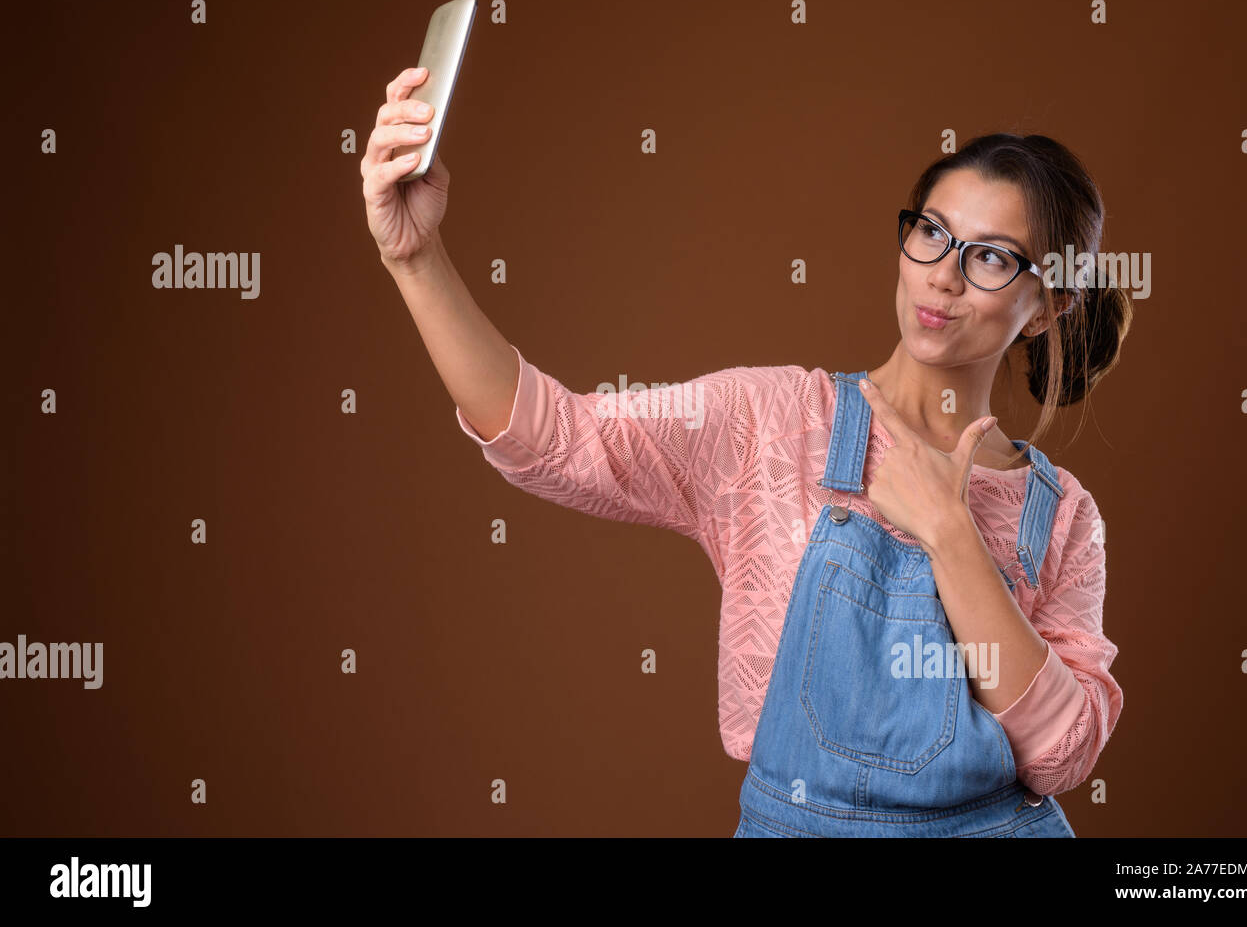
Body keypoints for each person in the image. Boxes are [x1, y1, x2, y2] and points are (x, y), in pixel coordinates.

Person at [361, 66, 1130, 837]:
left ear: (1046, 306)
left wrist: (952, 535)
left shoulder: (1060, 514)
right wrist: (416, 259)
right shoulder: (771, 421)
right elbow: (554, 437)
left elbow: (1062, 753)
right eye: (932, 232)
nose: (942, 278)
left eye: (990, 258)